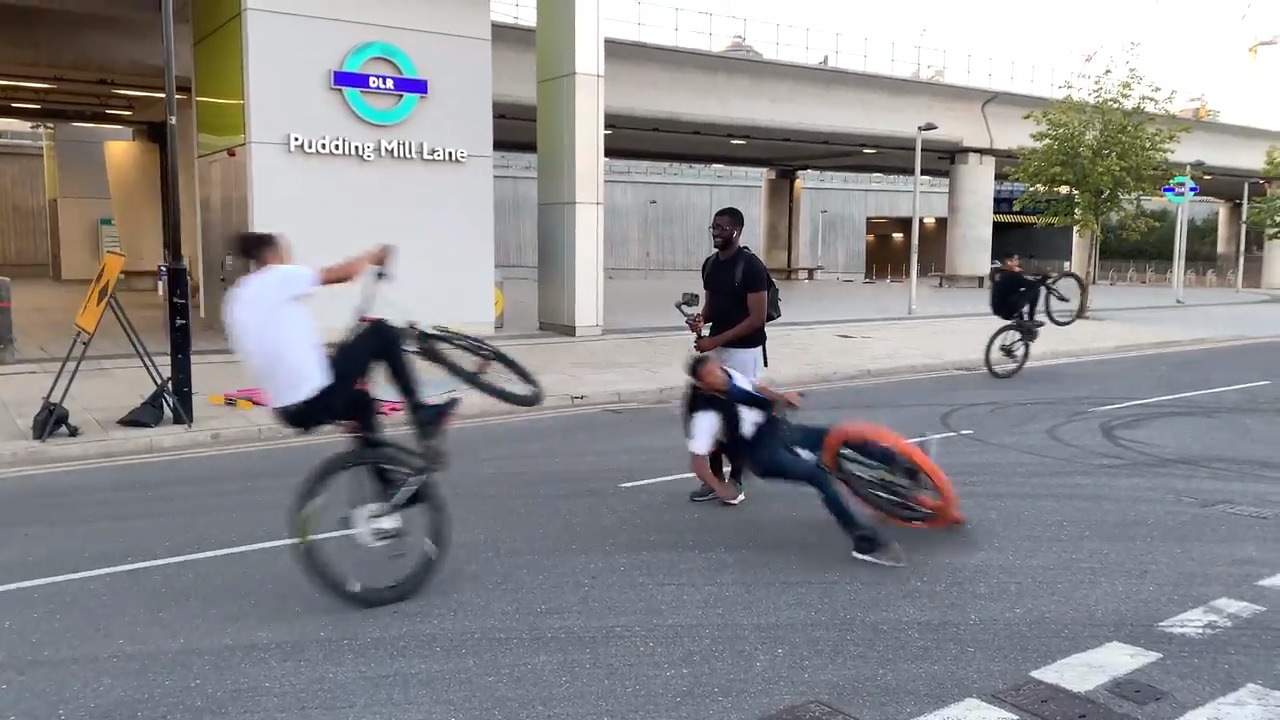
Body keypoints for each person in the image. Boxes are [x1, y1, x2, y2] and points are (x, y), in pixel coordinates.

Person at [222, 232, 458, 476]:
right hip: (316, 395)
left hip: (291, 410)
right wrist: (374, 255)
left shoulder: (237, 298)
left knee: (361, 402)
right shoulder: (276, 275)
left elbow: (277, 347)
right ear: (274, 254)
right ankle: (422, 415)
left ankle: (386, 483)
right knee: (381, 333)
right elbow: (344, 273)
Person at [685, 353, 906, 567]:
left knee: (843, 437)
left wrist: (782, 399)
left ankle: (904, 469)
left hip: (779, 430)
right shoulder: (706, 414)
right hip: (762, 455)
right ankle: (863, 541)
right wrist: (719, 487)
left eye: (718, 370)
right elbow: (697, 460)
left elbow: (755, 389)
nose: (720, 377)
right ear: (703, 385)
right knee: (818, 476)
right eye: (711, 377)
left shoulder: (730, 375)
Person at [685, 206, 771, 503]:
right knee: (709, 413)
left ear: (737, 231)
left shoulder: (751, 267)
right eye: (714, 227)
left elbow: (756, 318)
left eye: (722, 228)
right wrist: (701, 319)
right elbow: (712, 304)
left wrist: (714, 341)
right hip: (718, 349)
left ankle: (736, 480)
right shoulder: (710, 264)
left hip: (745, 352)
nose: (716, 233)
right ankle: (714, 479)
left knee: (738, 419)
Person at [990, 251, 1044, 328]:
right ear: (1008, 262)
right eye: (1014, 260)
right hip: (1009, 310)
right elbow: (1030, 284)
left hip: (997, 309)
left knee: (1014, 294)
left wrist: (1017, 273)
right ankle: (1031, 320)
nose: (1017, 263)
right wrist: (1042, 281)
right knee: (1035, 289)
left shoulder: (995, 273)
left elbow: (1007, 283)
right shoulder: (1013, 275)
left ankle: (1021, 324)